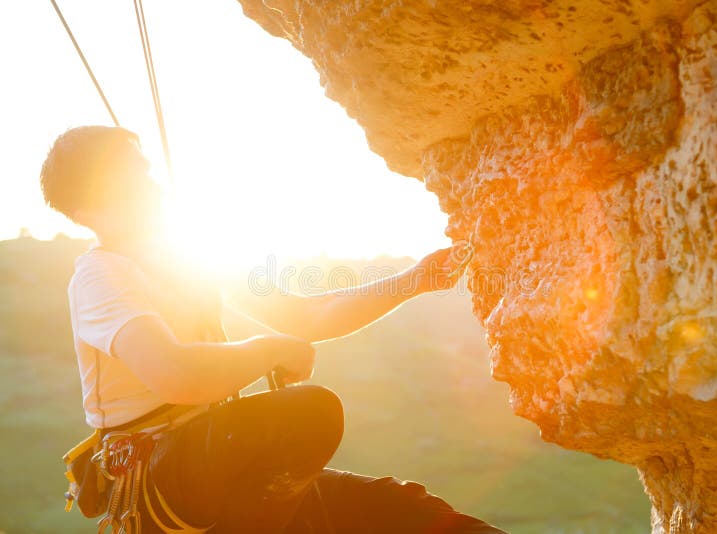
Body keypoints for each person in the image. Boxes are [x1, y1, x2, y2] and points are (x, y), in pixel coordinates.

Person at [42, 125, 505, 533]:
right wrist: (268, 349)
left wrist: (414, 280)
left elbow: (306, 318)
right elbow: (176, 374)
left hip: (227, 471)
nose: (146, 186)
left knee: (410, 513)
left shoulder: (183, 257)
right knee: (308, 413)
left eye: (141, 172)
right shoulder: (100, 276)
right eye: (122, 178)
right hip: (162, 479)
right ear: (85, 213)